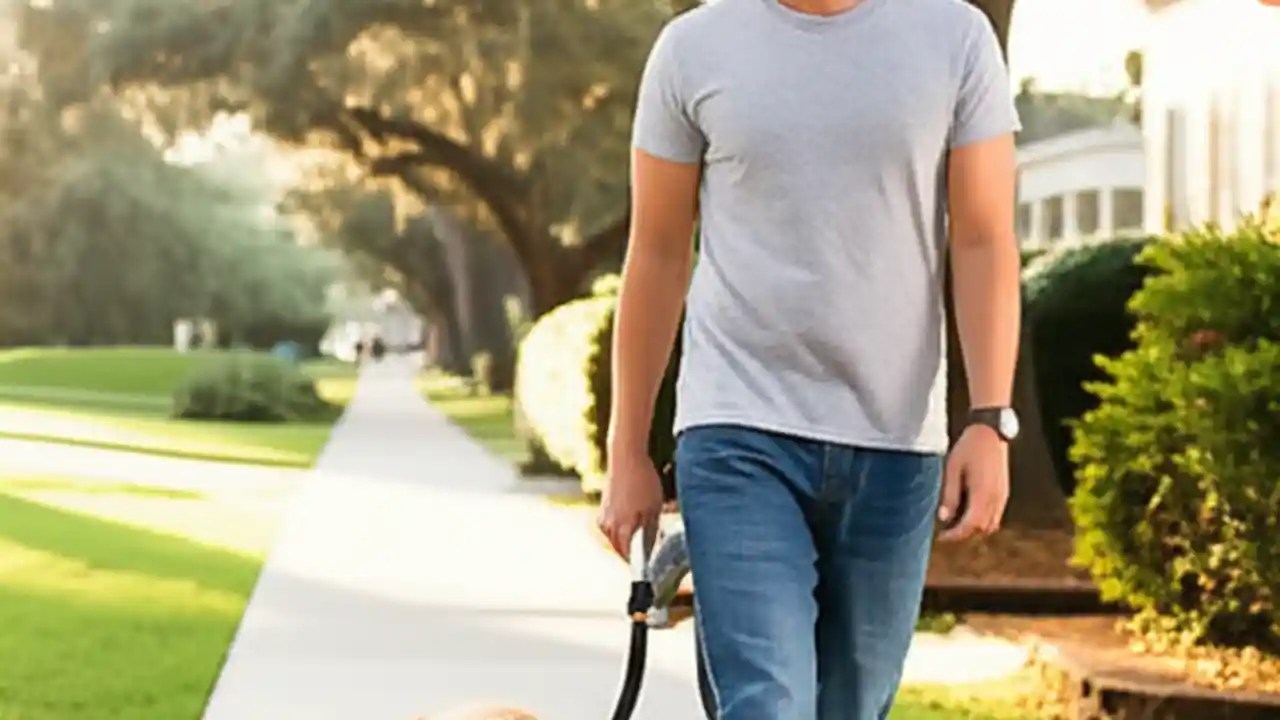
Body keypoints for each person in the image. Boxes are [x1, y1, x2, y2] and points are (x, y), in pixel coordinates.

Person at [598, 0, 1023, 718]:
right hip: (736, 432)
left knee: (851, 708)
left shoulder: (955, 37)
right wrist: (625, 448)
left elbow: (983, 236)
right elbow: (659, 252)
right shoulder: (693, 49)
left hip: (896, 443)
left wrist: (988, 418)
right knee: (768, 702)